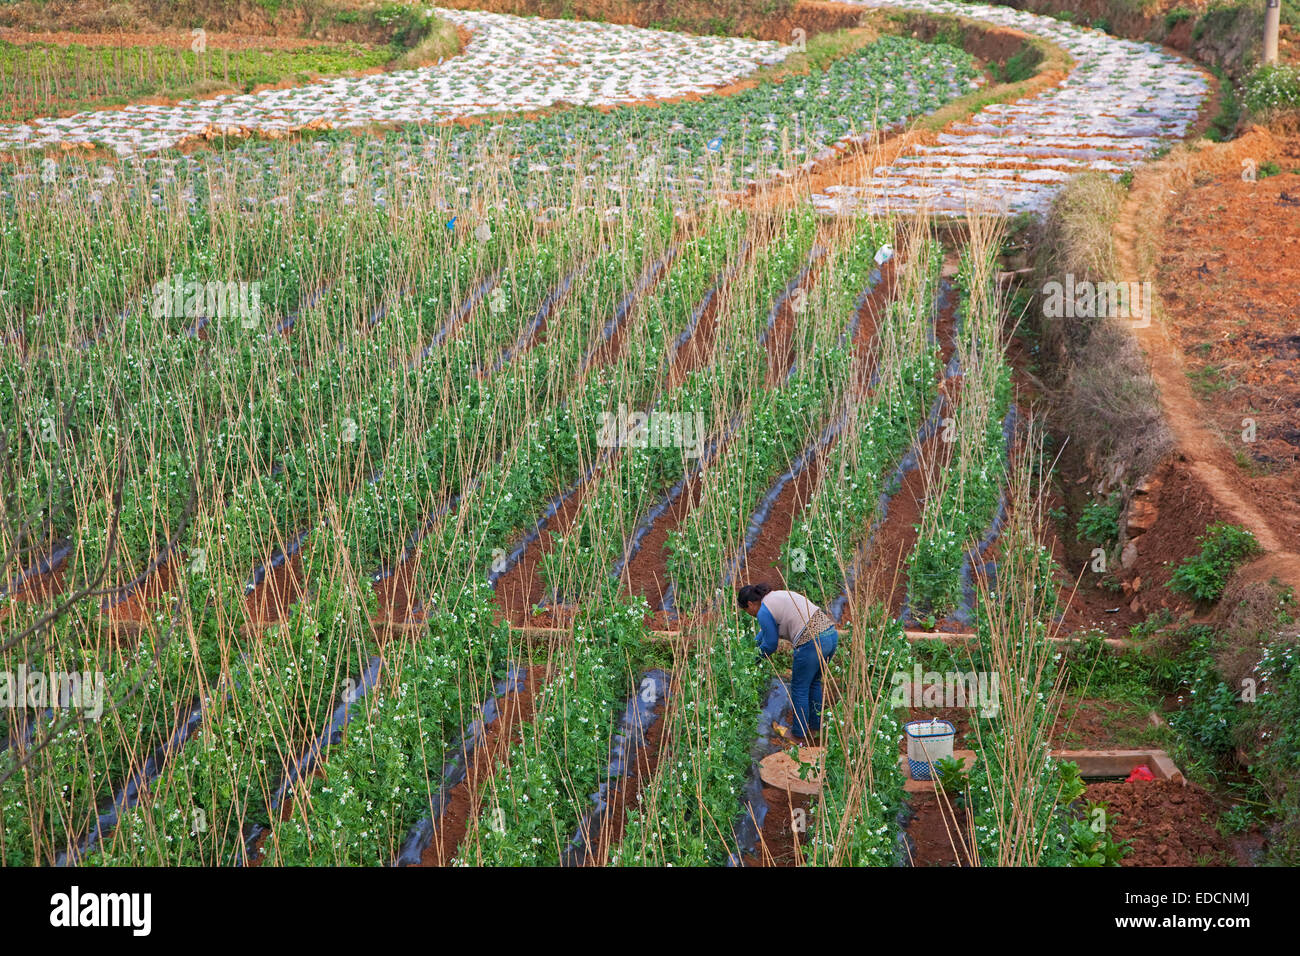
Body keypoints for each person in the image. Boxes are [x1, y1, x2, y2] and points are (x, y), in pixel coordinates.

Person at [737, 583, 838, 742]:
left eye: (746, 611)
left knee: (800, 688)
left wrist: (751, 662)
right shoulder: (774, 598)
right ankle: (815, 728)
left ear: (749, 604)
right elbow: (764, 634)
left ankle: (798, 735)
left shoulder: (763, 611)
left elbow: (770, 644)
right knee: (813, 683)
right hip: (830, 636)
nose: (749, 614)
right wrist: (747, 649)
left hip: (811, 641)